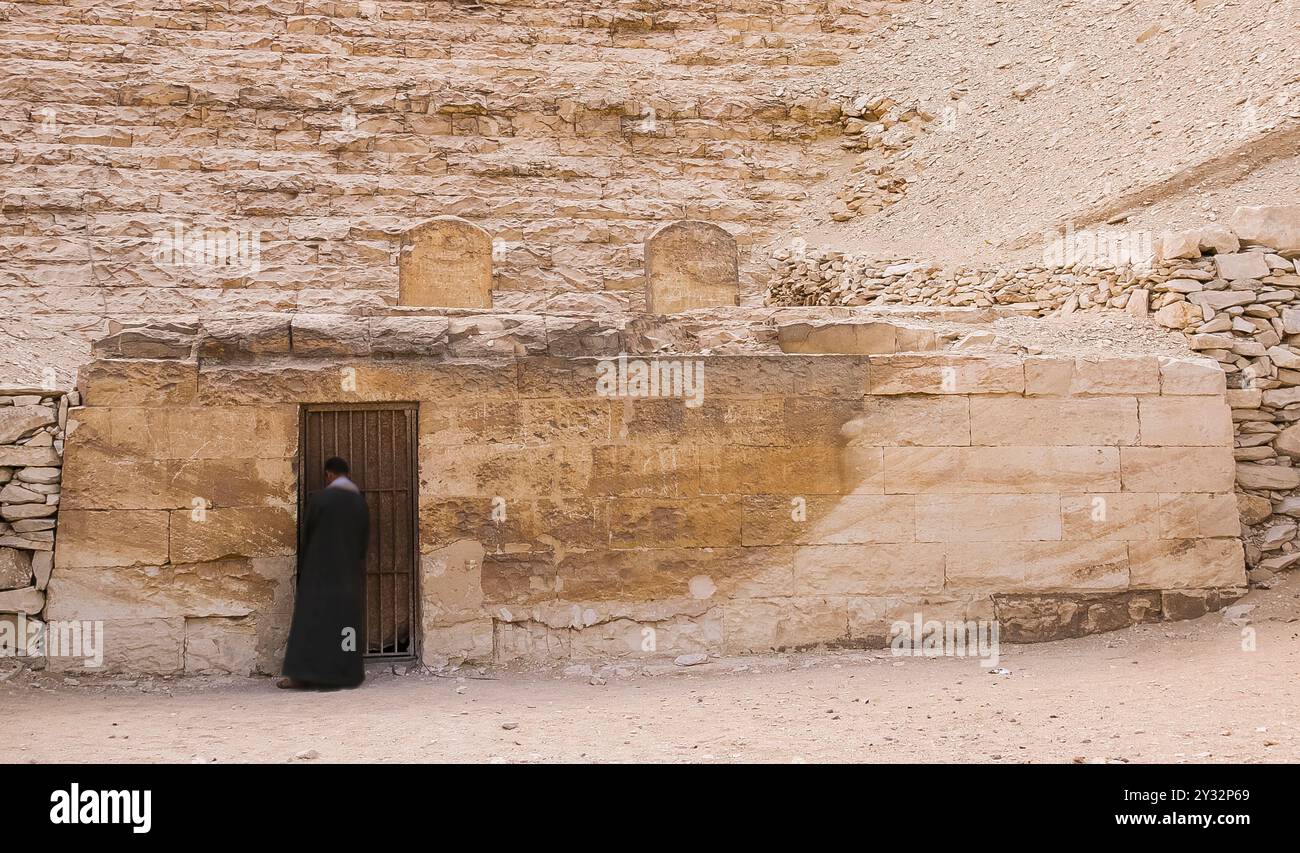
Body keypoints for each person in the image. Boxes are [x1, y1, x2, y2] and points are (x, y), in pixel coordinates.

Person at [278, 456, 369, 690]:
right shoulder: (359, 502)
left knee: (313, 622)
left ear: (328, 475)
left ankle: (304, 675)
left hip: (319, 572)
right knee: (345, 624)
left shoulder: (321, 499)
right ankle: (345, 674)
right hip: (347, 573)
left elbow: (307, 534)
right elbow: (363, 540)